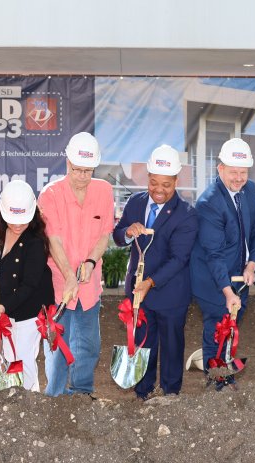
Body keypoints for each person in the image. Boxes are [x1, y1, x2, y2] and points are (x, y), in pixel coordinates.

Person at [112, 145, 198, 400]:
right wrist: (128, 232)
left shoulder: (186, 215)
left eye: (166, 185)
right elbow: (118, 235)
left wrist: (150, 282)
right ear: (148, 177)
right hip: (138, 292)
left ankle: (170, 393)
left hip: (170, 292)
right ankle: (143, 391)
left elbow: (179, 258)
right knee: (143, 342)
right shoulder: (135, 203)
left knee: (171, 345)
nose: (159, 190)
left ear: (176, 181)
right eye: (153, 183)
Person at [39, 132, 114, 397]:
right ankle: (55, 394)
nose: (82, 176)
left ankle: (82, 392)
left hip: (89, 286)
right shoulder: (50, 195)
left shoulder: (104, 191)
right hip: (59, 284)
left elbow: (104, 234)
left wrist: (91, 262)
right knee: (58, 343)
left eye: (88, 171)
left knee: (89, 344)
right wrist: (69, 275)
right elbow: (53, 240)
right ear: (68, 163)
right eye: (77, 170)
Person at [189, 138, 255, 390]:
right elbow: (214, 254)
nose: (239, 178)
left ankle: (224, 375)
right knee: (216, 329)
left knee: (232, 327)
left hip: (241, 277)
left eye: (243, 172)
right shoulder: (209, 203)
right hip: (213, 279)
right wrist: (228, 291)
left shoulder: (250, 190)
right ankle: (216, 385)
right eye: (233, 172)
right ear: (220, 168)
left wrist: (252, 264)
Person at [0, 180, 54, 392]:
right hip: (5, 310)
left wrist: (4, 306)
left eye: (23, 220)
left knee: (24, 359)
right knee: (9, 357)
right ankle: (14, 400)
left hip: (27, 313)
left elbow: (29, 284)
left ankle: (30, 401)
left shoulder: (35, 242)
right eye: (13, 220)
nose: (18, 225)